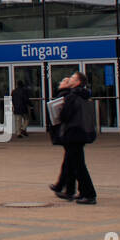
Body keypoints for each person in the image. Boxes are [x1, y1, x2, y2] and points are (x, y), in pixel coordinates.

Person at [49, 72, 97, 204]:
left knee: (79, 165)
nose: (70, 79)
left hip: (73, 133)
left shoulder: (72, 96)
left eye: (73, 78)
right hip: (81, 132)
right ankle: (80, 192)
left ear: (77, 83)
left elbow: (64, 115)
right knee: (76, 163)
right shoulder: (84, 96)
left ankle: (89, 194)